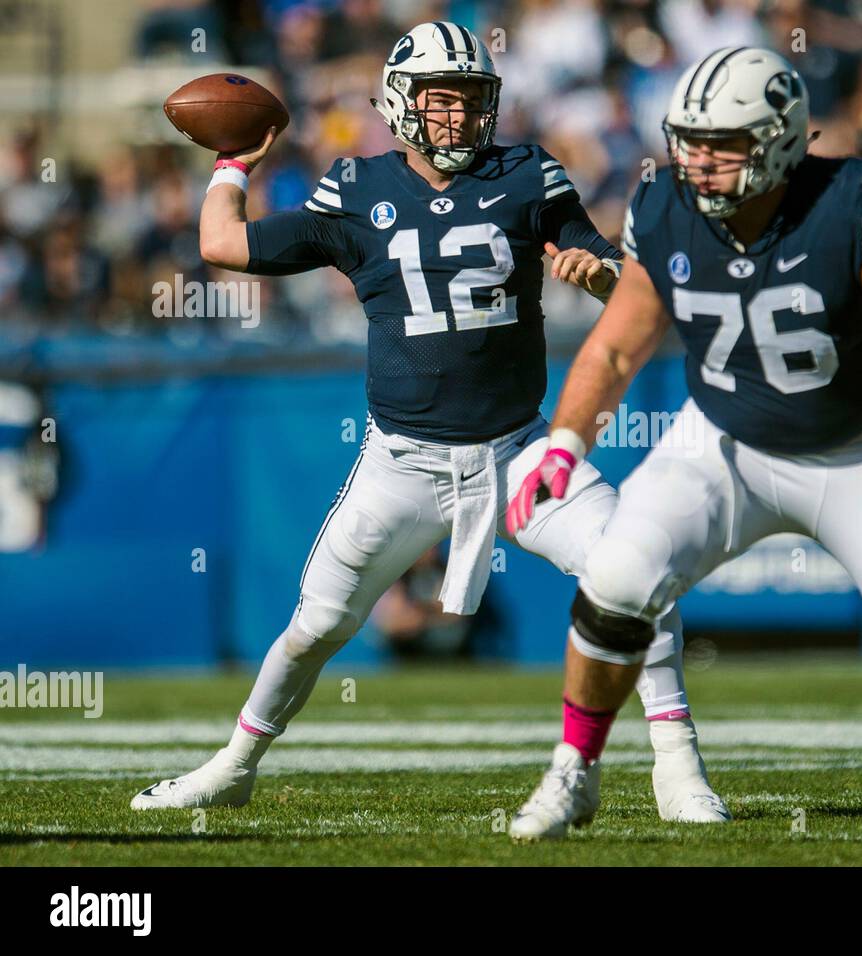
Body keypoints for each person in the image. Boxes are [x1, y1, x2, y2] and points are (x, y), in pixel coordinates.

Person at [130, 22, 728, 824]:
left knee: (636, 575)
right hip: (402, 462)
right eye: (442, 100)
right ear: (404, 103)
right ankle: (234, 764)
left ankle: (678, 768)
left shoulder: (528, 175)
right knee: (315, 627)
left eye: (472, 99)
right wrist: (234, 163)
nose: (458, 117)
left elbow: (615, 281)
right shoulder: (356, 187)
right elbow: (222, 243)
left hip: (517, 450)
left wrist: (599, 272)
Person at [506, 46, 862, 847]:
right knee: (618, 574)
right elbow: (614, 350)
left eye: (723, 144)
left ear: (778, 140)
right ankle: (574, 771)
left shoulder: (848, 201)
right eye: (690, 141)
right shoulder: (663, 207)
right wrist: (566, 443)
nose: (698, 161)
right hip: (723, 443)